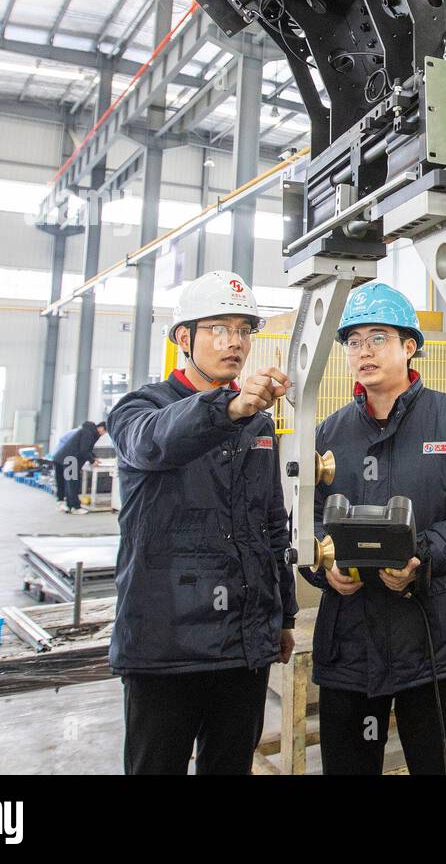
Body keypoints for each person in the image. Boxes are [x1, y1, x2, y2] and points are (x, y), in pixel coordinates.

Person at [106, 271, 297, 775]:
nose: (235, 342)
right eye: (218, 328)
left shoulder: (258, 423)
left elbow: (271, 524)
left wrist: (283, 615)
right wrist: (227, 408)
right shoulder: (139, 409)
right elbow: (153, 443)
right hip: (166, 647)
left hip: (243, 647)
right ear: (184, 338)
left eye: (244, 330)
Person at [301, 281, 446, 775]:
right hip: (351, 643)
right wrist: (324, 566)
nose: (363, 351)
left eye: (378, 338)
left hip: (433, 642)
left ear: (409, 347)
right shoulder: (328, 434)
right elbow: (307, 519)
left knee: (438, 765)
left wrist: (422, 555)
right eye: (354, 341)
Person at [52, 420, 105, 514]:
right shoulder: (89, 433)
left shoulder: (87, 431)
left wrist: (94, 457)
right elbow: (84, 450)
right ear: (100, 428)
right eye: (104, 431)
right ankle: (74, 507)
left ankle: (64, 504)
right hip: (70, 459)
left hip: (61, 458)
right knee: (72, 483)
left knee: (64, 483)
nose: (103, 434)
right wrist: (92, 461)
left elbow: (86, 449)